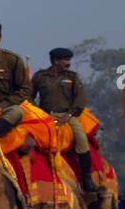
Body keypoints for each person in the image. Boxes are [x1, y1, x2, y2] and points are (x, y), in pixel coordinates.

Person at [31, 47, 96, 192]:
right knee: (29, 140)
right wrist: (37, 112)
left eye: (69, 59)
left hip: (68, 116)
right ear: (56, 61)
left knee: (82, 140)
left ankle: (87, 180)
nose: (69, 63)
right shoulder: (40, 76)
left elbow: (80, 99)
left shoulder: (72, 77)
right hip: (45, 116)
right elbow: (29, 96)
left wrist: (69, 116)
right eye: (66, 60)